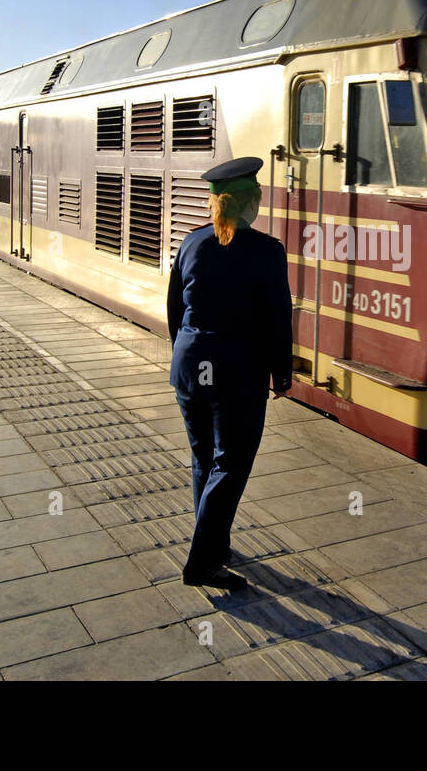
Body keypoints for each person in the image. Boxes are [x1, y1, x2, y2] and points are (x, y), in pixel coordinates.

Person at [166, 156, 293, 590]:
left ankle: (214, 542)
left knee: (206, 458)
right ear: (252, 201)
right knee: (231, 465)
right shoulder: (267, 251)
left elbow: (174, 310)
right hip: (237, 374)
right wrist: (283, 374)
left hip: (191, 367)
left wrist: (183, 355)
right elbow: (278, 317)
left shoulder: (191, 243)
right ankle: (202, 563)